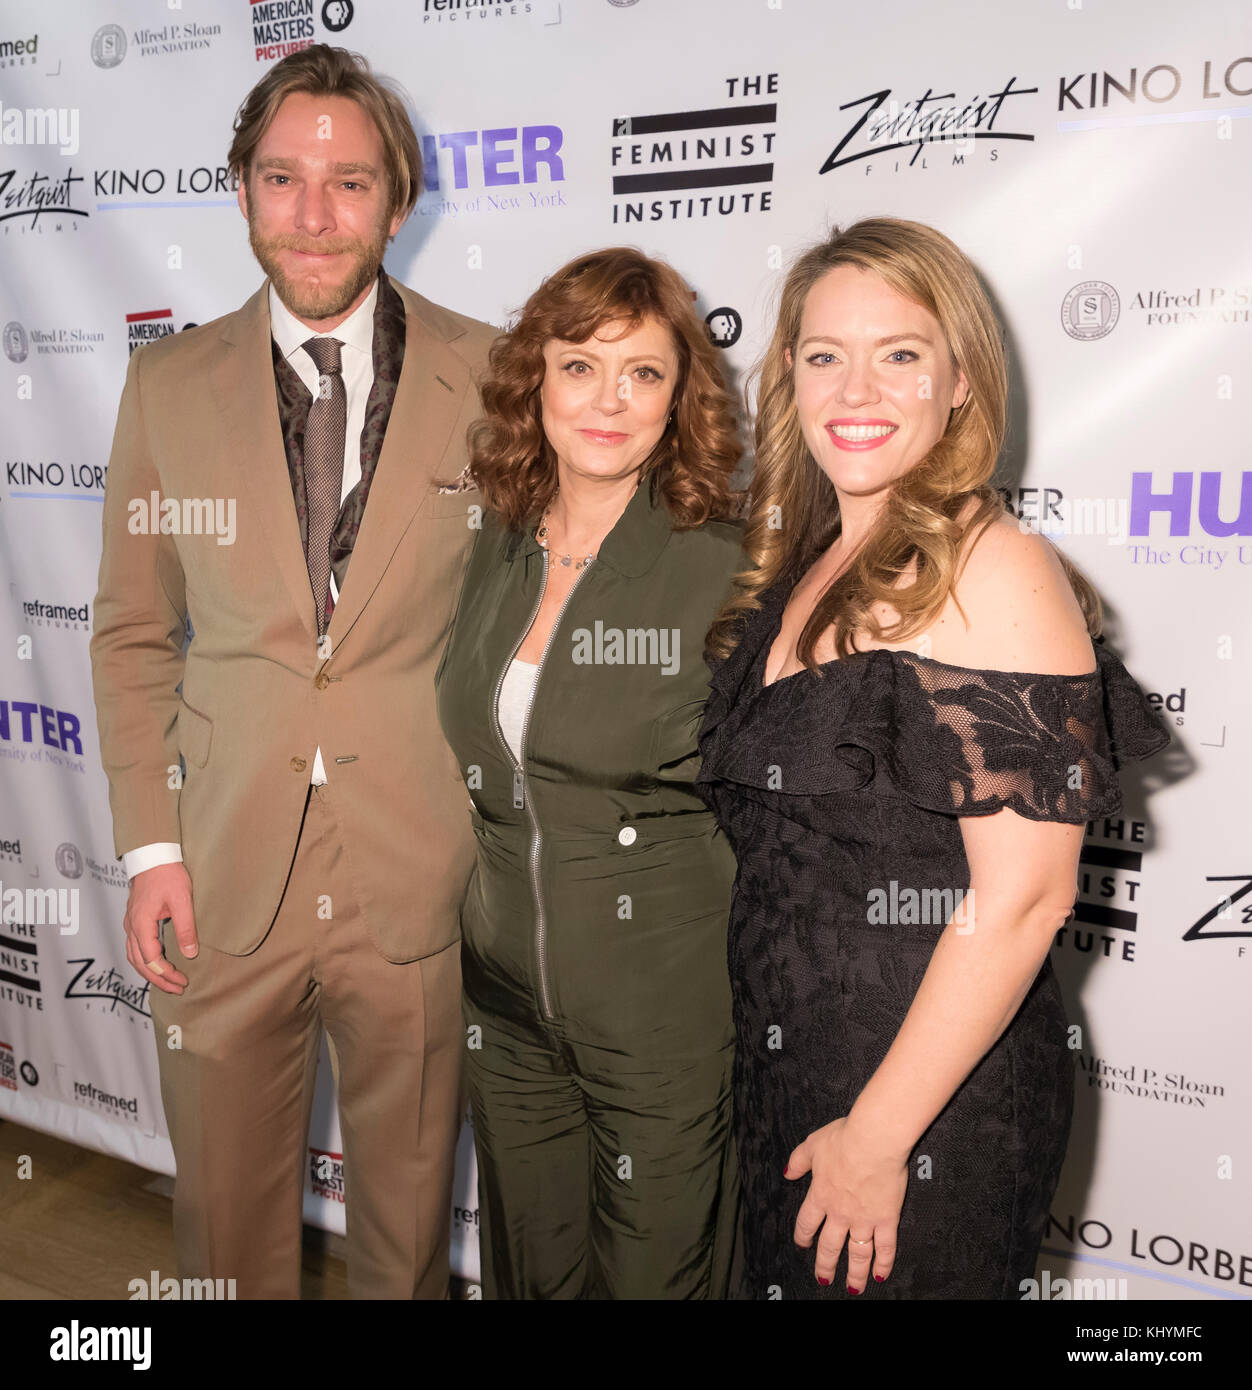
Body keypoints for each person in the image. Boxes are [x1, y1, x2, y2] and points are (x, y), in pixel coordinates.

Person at [696, 217, 1169, 1300]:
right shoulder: (808, 562)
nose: (855, 389)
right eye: (824, 355)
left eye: (899, 354)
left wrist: (876, 1136)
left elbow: (1023, 900)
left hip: (924, 1111)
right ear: (790, 377)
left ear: (959, 381)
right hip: (792, 1074)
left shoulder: (996, 569)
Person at [89, 45, 495, 1299]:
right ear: (244, 189)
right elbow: (131, 631)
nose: (314, 216)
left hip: (420, 863)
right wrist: (152, 848)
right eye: (282, 178)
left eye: (350, 182)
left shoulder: (499, 376)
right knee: (222, 1220)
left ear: (399, 198)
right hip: (219, 860)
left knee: (406, 1225)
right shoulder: (165, 382)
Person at [434, 247, 746, 1298]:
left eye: (643, 373)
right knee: (531, 1273)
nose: (608, 399)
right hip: (505, 1001)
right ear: (537, 380)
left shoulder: (726, 563)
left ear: (679, 398)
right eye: (579, 366)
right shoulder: (498, 535)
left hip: (660, 1006)